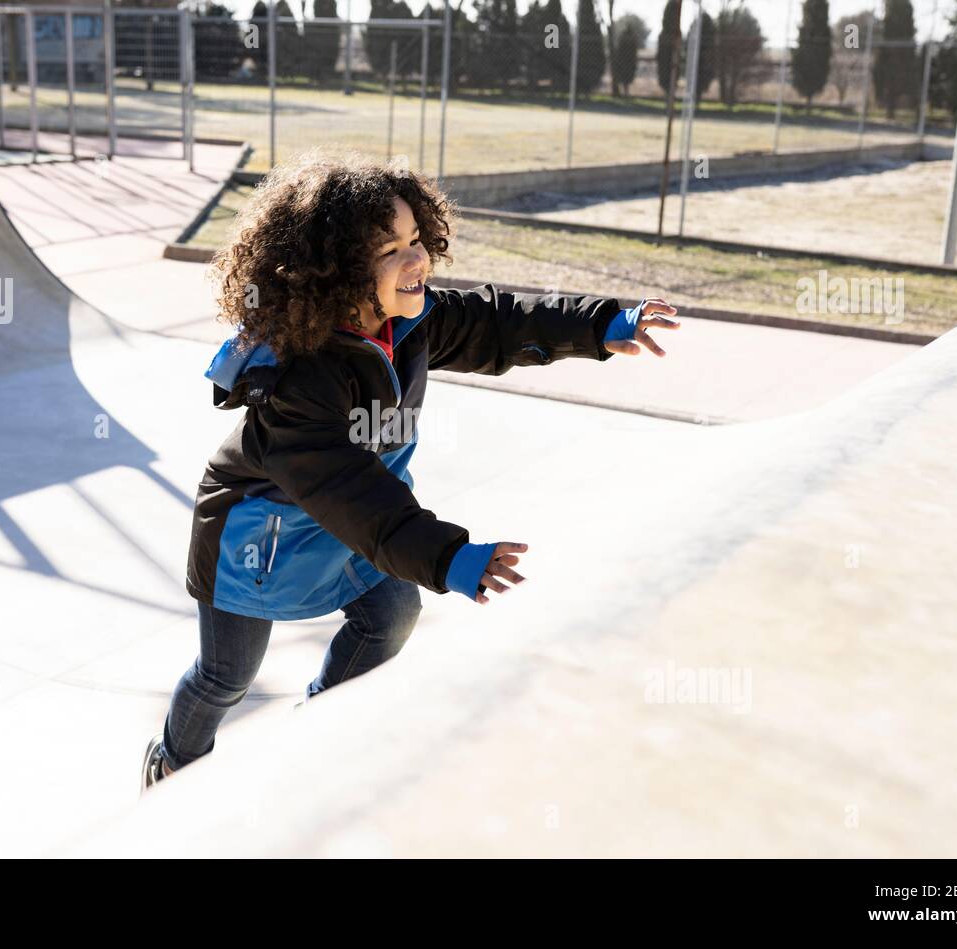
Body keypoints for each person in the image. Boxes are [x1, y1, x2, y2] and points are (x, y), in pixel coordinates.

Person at [141, 151, 678, 791]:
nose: (416, 260)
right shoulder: (298, 377)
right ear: (337, 274)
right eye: (391, 251)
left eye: (417, 240)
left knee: (391, 613)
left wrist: (598, 326)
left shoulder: (413, 322)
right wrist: (444, 556)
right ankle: (173, 762)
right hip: (257, 536)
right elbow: (348, 489)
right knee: (227, 674)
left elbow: (500, 321)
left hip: (359, 523)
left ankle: (315, 732)